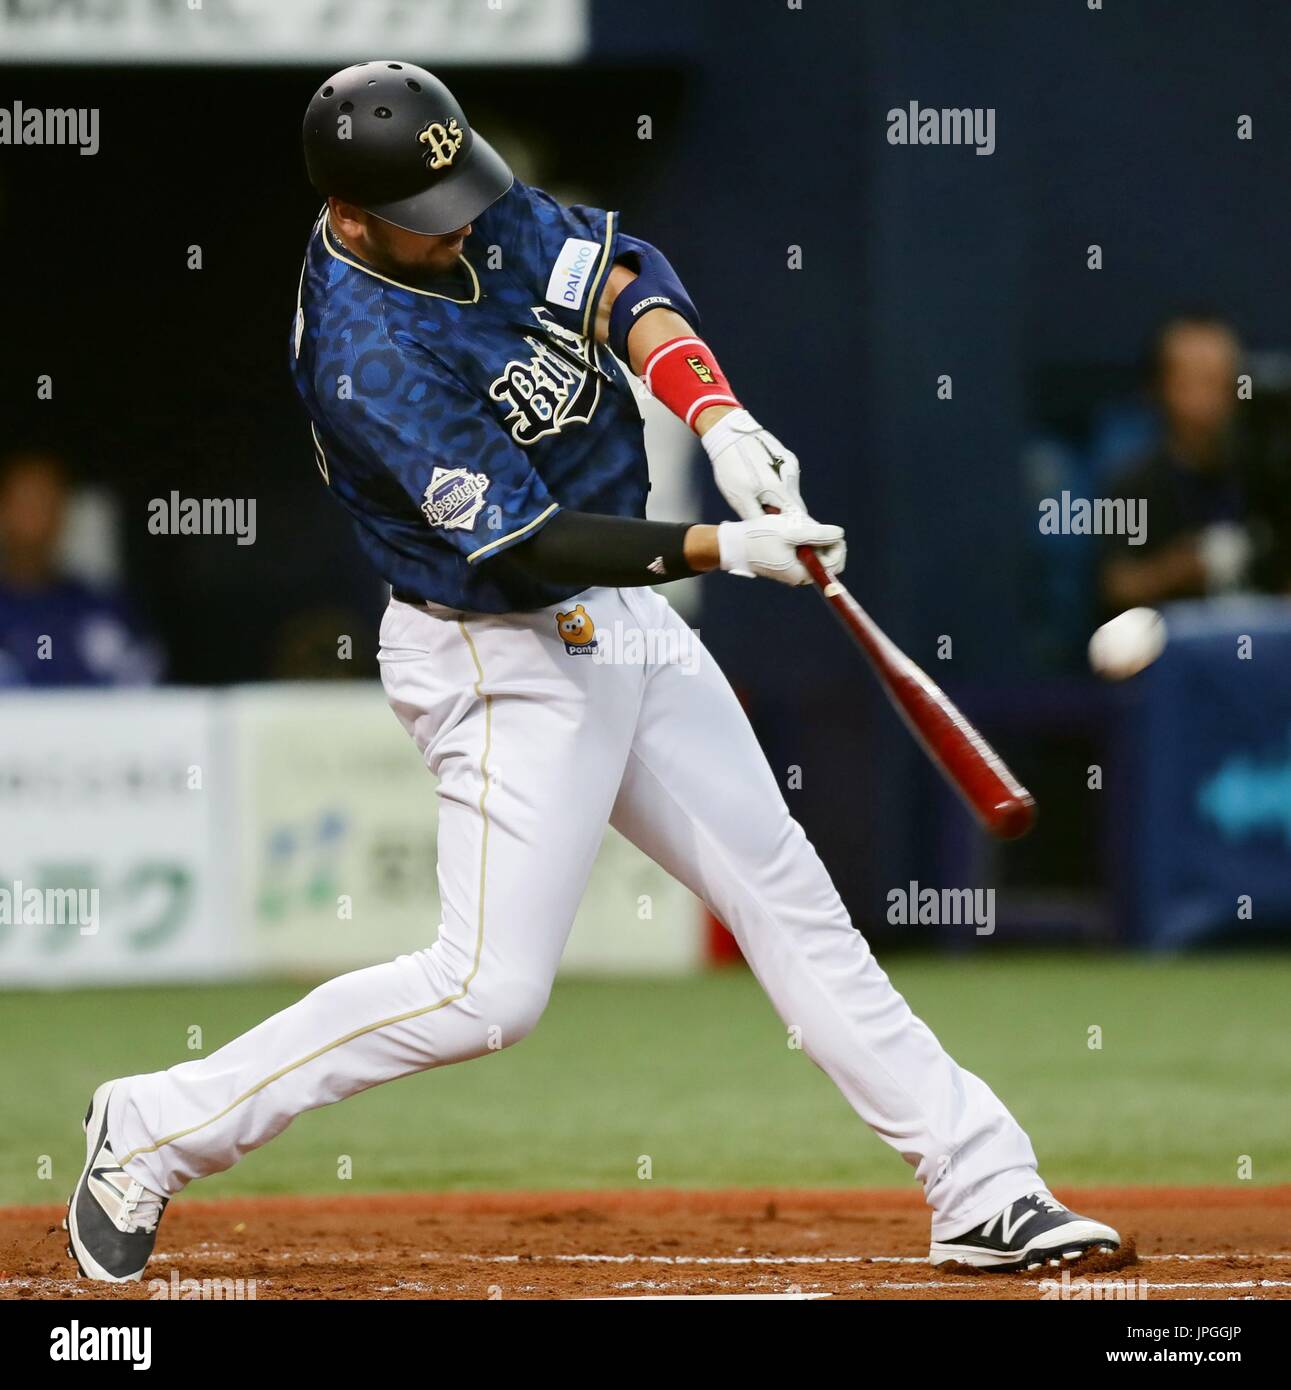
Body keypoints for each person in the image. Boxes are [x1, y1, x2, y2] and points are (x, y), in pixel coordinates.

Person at [65, 62, 1119, 1283]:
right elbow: (525, 544)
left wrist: (716, 416)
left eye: (460, 195)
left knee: (785, 893)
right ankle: (151, 1127)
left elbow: (624, 280)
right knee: (484, 994)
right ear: (349, 216)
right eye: (423, 215)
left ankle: (979, 1181)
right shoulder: (365, 352)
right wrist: (723, 548)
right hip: (494, 647)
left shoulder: (461, 201)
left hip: (618, 616)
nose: (460, 223)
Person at [1099, 314, 1270, 611]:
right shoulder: (1133, 484)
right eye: (1192, 383)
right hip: (1171, 636)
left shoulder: (1268, 476)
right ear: (1158, 389)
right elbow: (1115, 588)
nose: (1209, 400)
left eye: (1221, 382)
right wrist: (1178, 569)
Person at [0, 450, 161, 688]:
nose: (38, 517)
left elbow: (147, 683)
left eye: (49, 503)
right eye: (27, 502)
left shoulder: (101, 606)